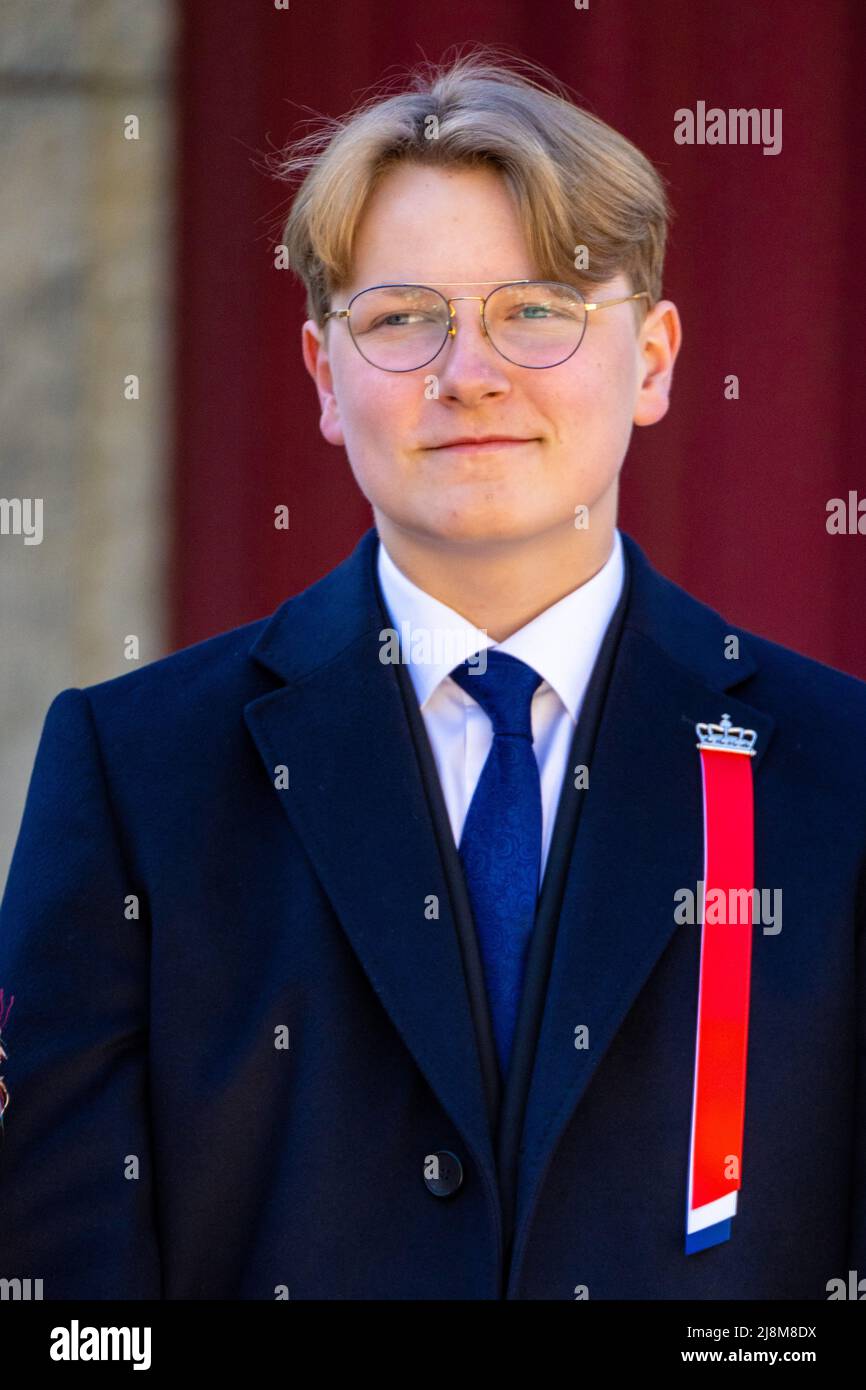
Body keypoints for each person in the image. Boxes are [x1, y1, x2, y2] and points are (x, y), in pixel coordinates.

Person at [0, 49, 864, 1301]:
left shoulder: (838, 777)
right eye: (402, 316)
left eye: (537, 308)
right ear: (323, 380)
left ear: (657, 359)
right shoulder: (134, 776)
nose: (469, 371)